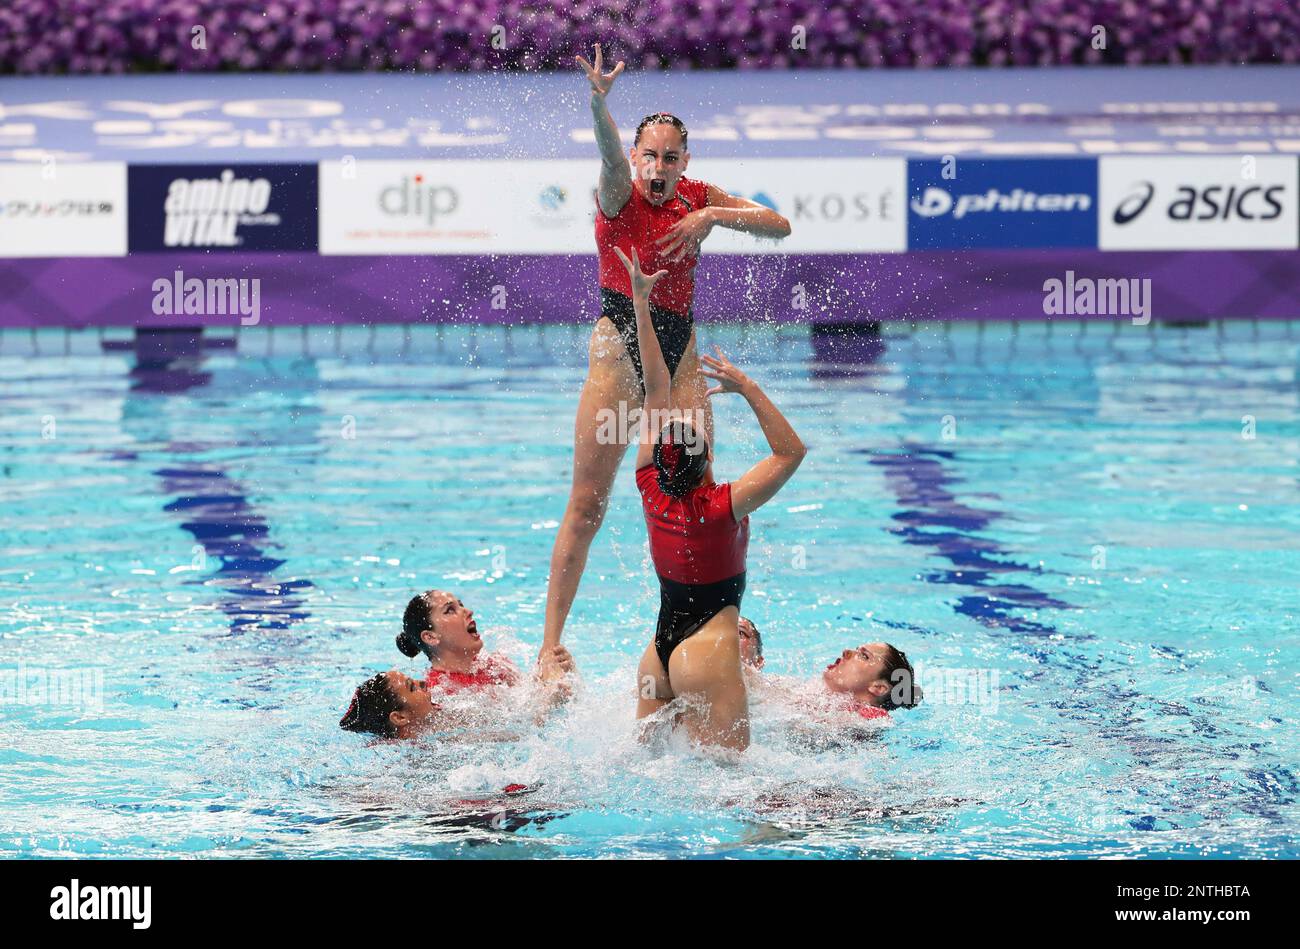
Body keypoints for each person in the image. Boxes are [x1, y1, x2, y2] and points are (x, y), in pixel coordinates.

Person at [538, 44, 792, 682]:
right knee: (589, 500)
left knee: (696, 497)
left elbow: (778, 224)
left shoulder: (698, 197)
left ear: (685, 162)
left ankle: (710, 636)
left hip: (679, 349)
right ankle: (551, 647)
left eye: (669, 157)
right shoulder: (619, 192)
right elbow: (605, 152)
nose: (657, 167)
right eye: (648, 154)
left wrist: (712, 214)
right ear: (635, 156)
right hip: (618, 344)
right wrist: (599, 104)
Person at [616, 245, 806, 751]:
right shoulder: (724, 504)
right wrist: (747, 388)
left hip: (657, 651)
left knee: (644, 770)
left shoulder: (647, 485)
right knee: (733, 786)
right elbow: (790, 453)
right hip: (709, 648)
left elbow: (655, 388)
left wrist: (639, 302)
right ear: (707, 460)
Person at [398, 588, 574, 708]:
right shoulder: (437, 693)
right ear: (430, 637)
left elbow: (530, 695)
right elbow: (511, 731)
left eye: (461, 604)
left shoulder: (495, 664)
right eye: (450, 610)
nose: (468, 611)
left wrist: (561, 670)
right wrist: (549, 701)